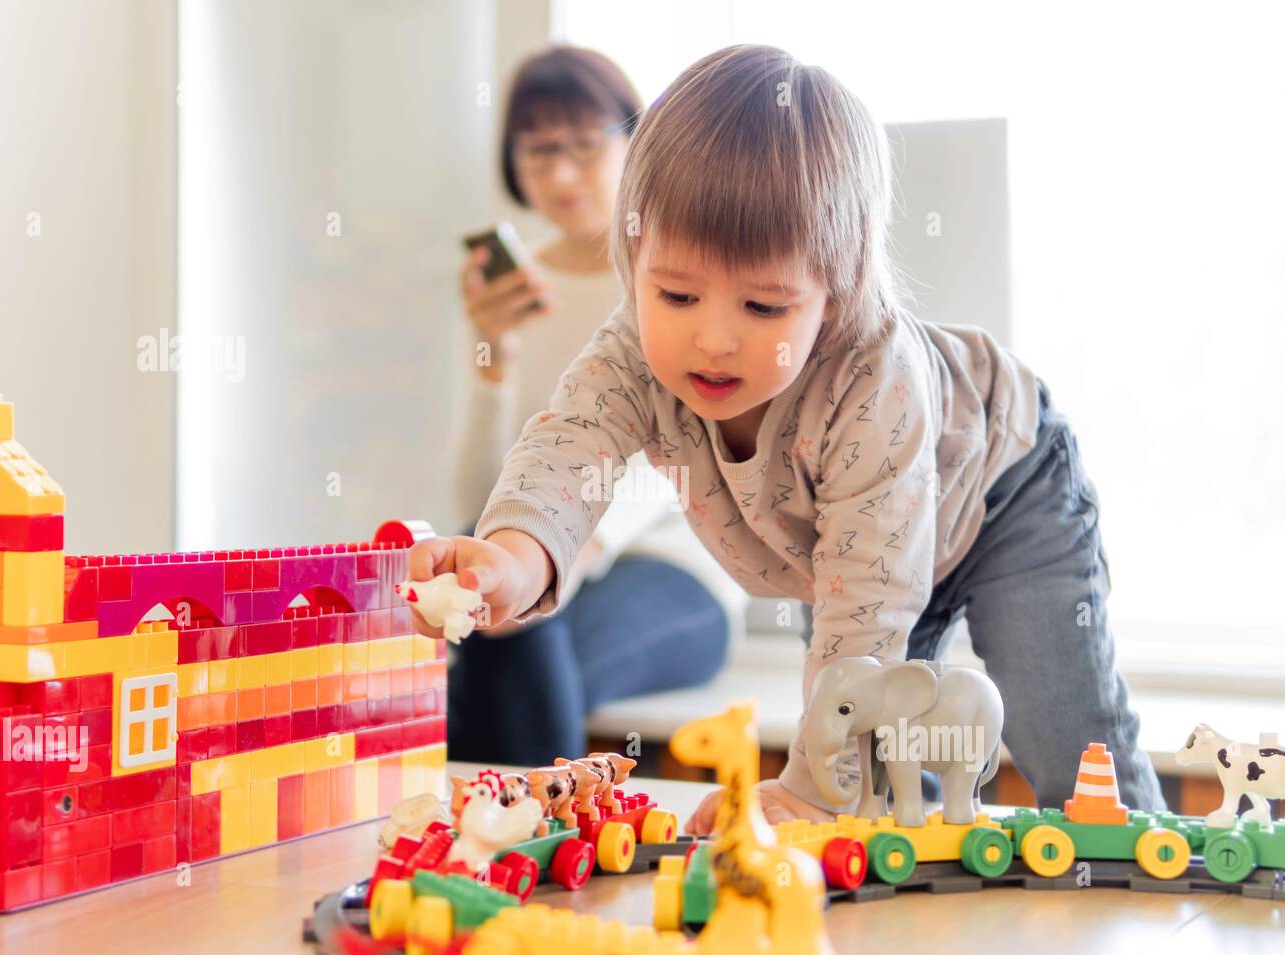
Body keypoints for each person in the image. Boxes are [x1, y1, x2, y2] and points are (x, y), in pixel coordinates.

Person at [419, 44, 1164, 830]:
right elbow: (570, 446)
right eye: (675, 292)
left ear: (835, 295)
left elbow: (868, 609)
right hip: (850, 555)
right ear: (633, 261)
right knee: (878, 770)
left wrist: (808, 789)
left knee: (1065, 739)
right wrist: (510, 555)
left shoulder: (873, 379)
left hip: (1004, 493)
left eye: (765, 309)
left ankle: (1153, 890)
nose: (712, 340)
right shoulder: (634, 347)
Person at [448, 46, 747, 765]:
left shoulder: (674, 278)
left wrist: (579, 542)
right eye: (539, 149)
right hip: (545, 552)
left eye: (584, 145)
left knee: (505, 652)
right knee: (506, 650)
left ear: (634, 144)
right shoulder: (511, 290)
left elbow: (675, 456)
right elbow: (481, 496)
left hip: (677, 567)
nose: (560, 172)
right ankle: (532, 851)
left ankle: (482, 853)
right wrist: (494, 357)